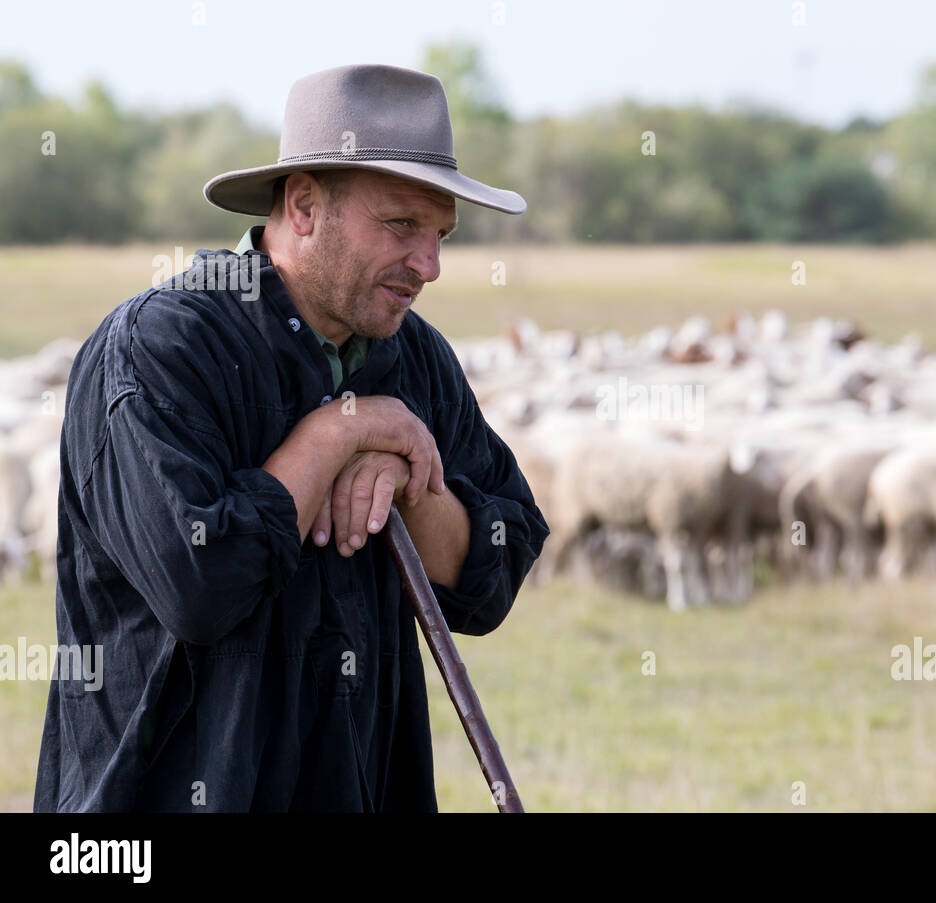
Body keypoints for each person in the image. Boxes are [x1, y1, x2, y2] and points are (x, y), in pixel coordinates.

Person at [34, 64, 549, 812]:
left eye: (440, 235)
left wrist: (408, 481)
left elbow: (494, 570)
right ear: (304, 205)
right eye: (402, 225)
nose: (429, 265)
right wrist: (347, 428)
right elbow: (200, 583)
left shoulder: (417, 358)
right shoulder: (158, 350)